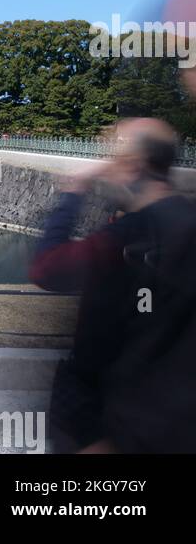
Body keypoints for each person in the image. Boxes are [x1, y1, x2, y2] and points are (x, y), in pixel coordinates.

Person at [31, 118, 196, 453]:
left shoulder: (125, 237)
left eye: (111, 156)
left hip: (122, 426)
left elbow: (47, 268)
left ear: (133, 165)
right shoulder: (188, 222)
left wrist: (73, 193)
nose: (104, 167)